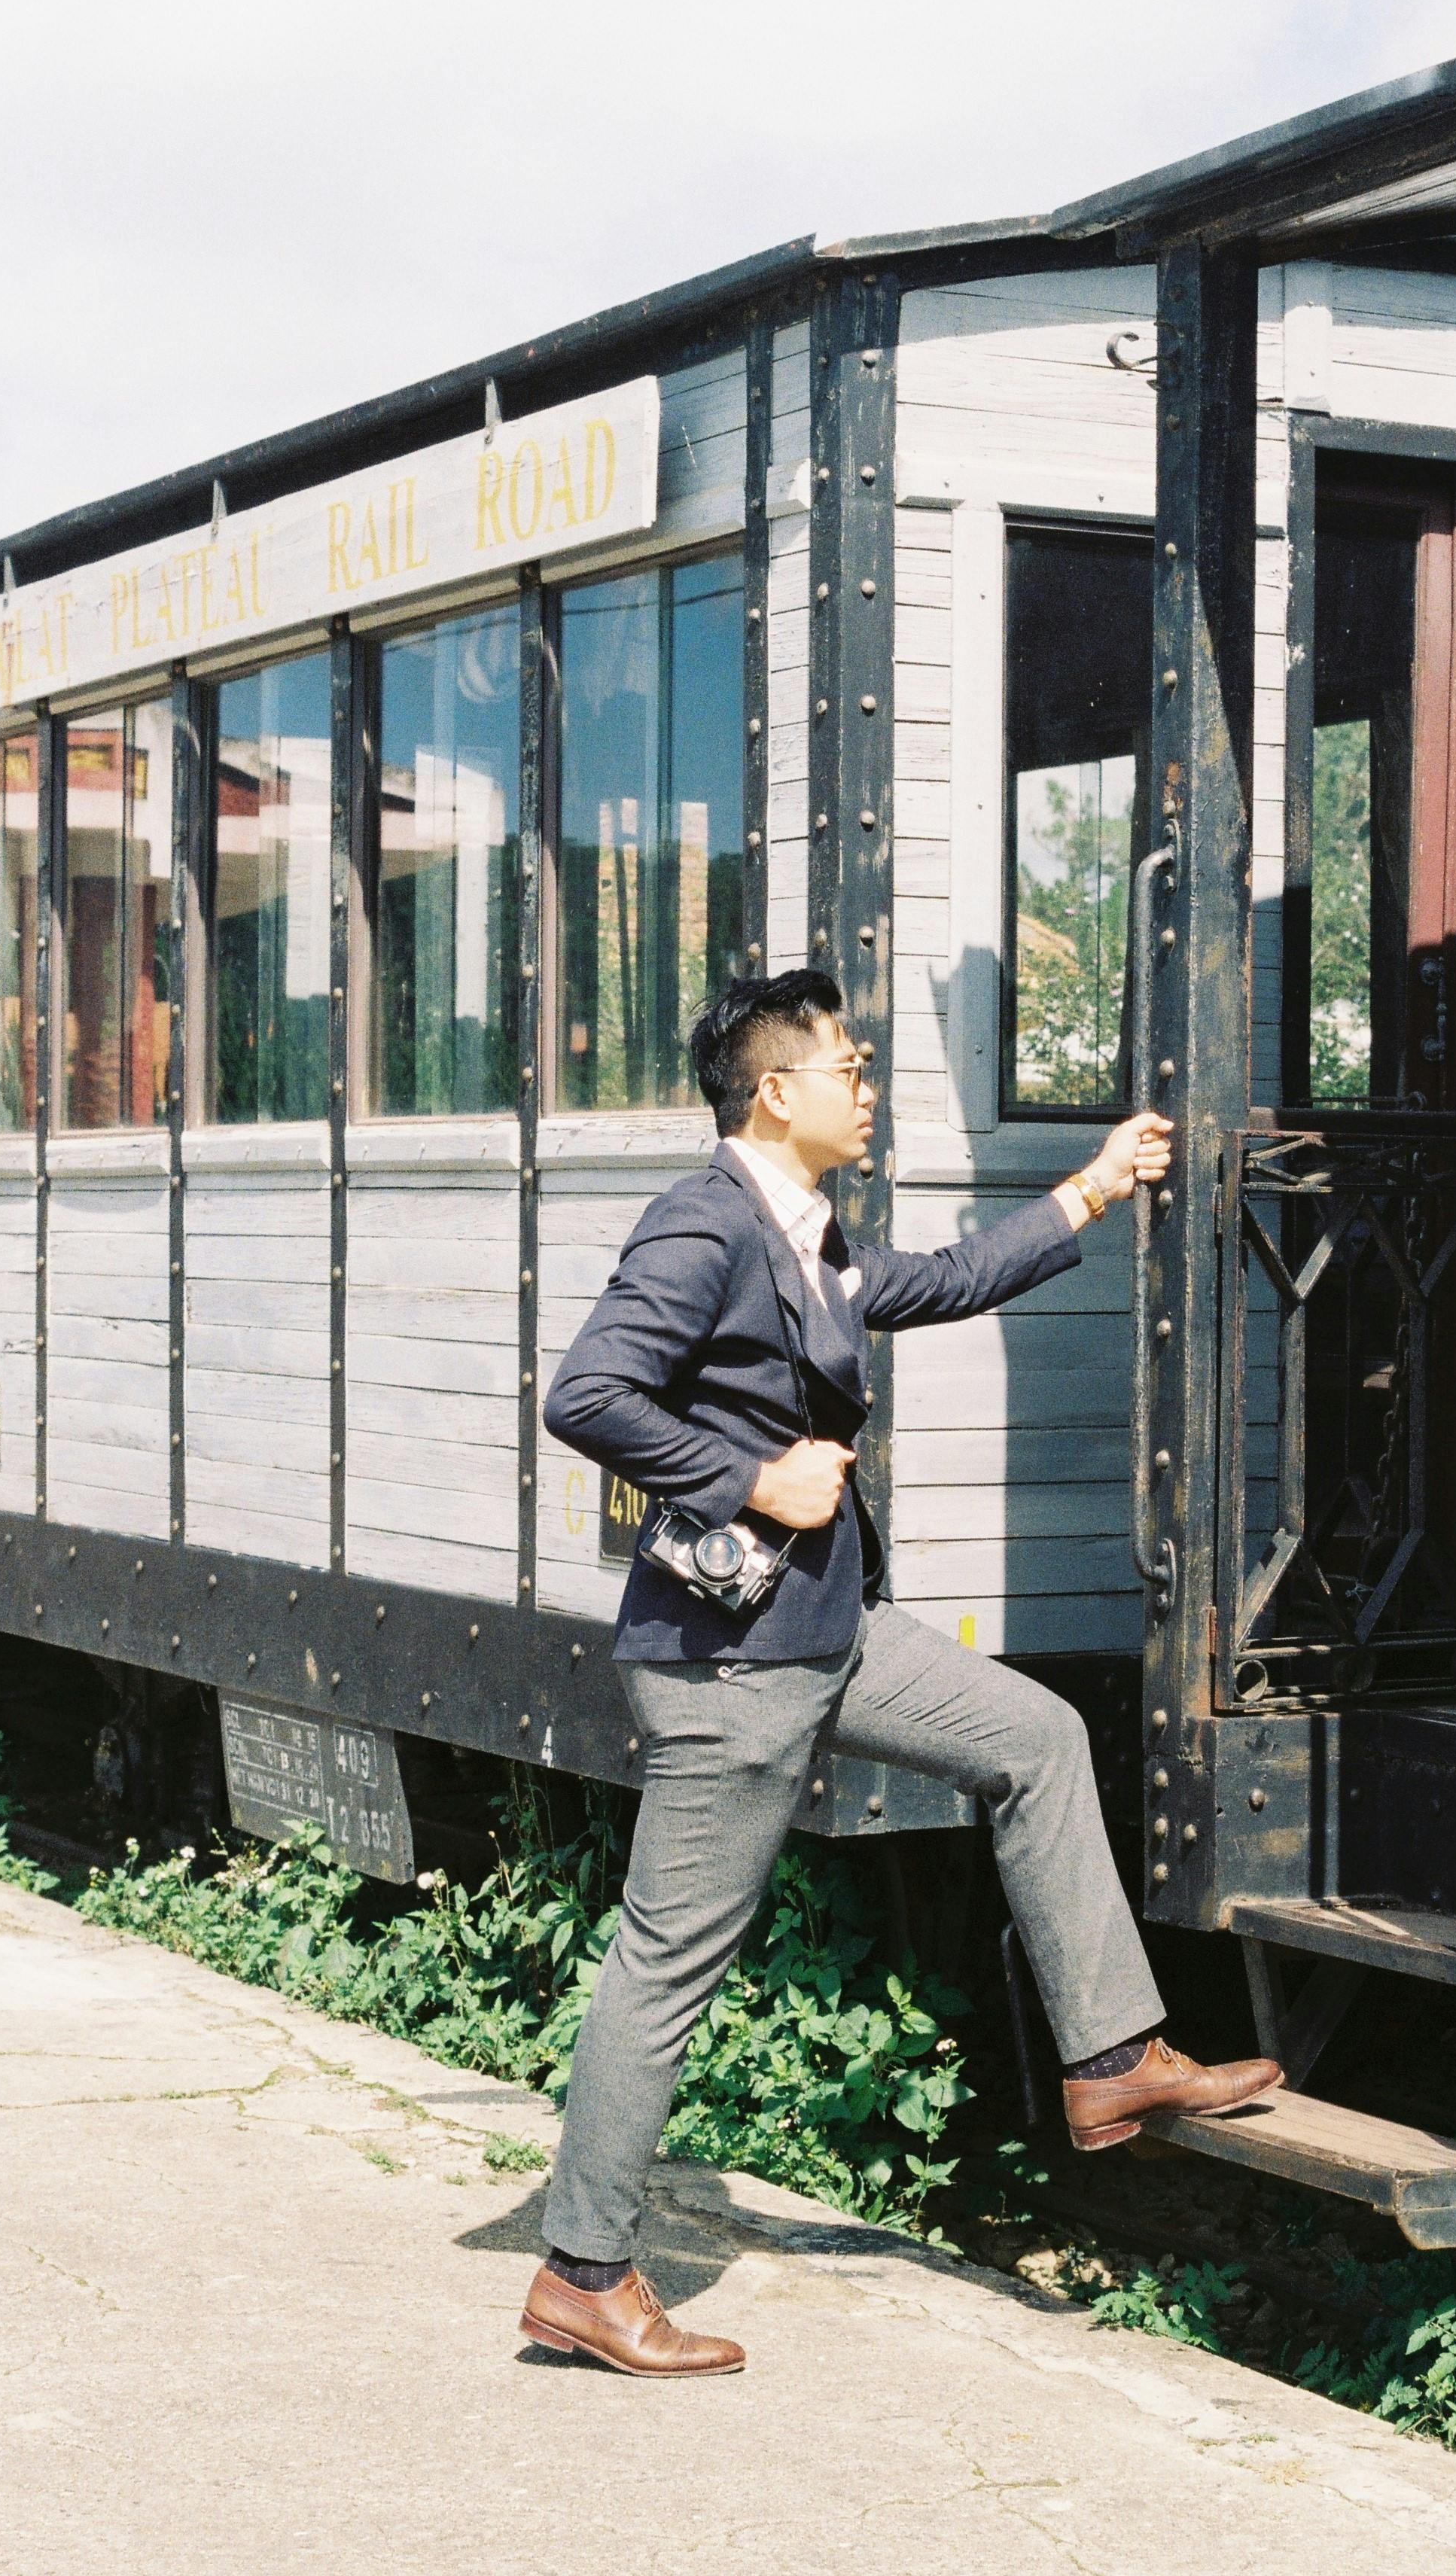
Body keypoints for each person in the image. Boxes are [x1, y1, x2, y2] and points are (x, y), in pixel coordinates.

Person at [522, 969, 1278, 2376]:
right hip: (732, 1668)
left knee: (1036, 1737)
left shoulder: (804, 1231)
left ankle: (1112, 2058)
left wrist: (1094, 1188)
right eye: (851, 1070)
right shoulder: (703, 1225)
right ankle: (582, 2270)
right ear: (776, 1091)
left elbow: (931, 1284)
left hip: (827, 1635)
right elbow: (587, 1393)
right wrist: (755, 1475)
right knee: (665, 1964)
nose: (867, 1090)